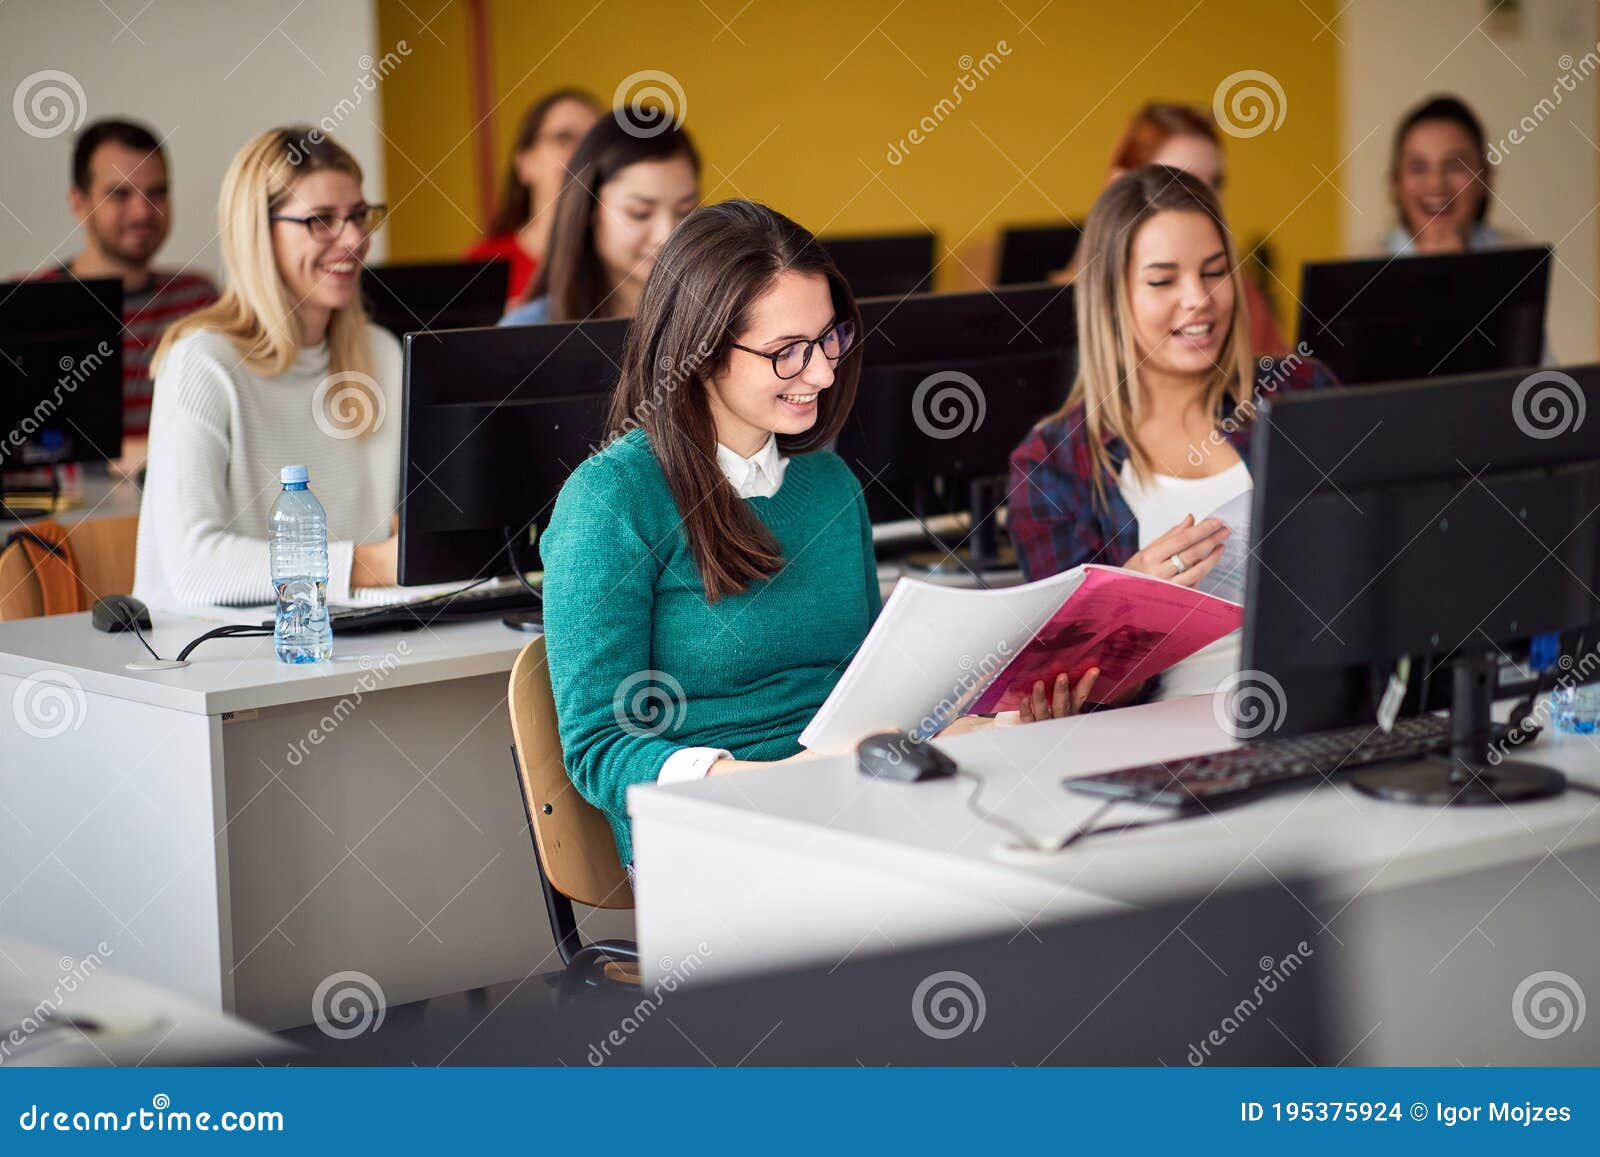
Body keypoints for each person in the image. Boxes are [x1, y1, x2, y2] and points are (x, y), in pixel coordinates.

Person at [539, 199, 1096, 871]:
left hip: (855, 808)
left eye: (831, 338)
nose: (825, 373)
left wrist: (988, 726)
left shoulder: (829, 486)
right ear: (699, 350)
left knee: (1060, 851)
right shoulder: (610, 500)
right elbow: (601, 747)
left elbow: (866, 701)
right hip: (713, 843)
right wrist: (784, 783)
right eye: (787, 353)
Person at [1009, 166, 1339, 700]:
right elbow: (1068, 691)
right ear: (1112, 297)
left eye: (1214, 272)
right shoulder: (1052, 463)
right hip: (1159, 747)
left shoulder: (1299, 390)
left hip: (1321, 709)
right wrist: (1134, 602)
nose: (1198, 299)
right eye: (1164, 280)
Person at [133, 126, 402, 609]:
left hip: (354, 636)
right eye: (321, 220)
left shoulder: (381, 354)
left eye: (359, 216)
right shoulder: (201, 361)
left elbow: (403, 526)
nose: (355, 238)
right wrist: (373, 565)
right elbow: (196, 567)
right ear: (258, 231)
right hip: (209, 657)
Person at [32, 119, 219, 475]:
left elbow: (227, 430)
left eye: (157, 192)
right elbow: (27, 453)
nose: (143, 212)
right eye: (120, 194)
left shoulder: (198, 299)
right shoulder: (33, 305)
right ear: (79, 203)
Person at [1057, 102, 1287, 358]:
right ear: (1121, 188)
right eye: (1180, 181)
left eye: (1217, 182)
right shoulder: (1061, 315)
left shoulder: (1239, 291)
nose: (1209, 200)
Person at [499, 115, 699, 326]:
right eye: (640, 213)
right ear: (590, 211)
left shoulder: (721, 320)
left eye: (685, 211)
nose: (667, 235)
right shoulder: (529, 328)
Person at [466, 89, 600, 305]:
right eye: (564, 138)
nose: (583, 153)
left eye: (593, 141)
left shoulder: (620, 262)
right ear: (525, 163)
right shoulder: (482, 264)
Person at [1382, 94, 1510, 255]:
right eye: (1418, 167)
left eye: (1455, 165)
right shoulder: (1360, 273)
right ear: (1395, 183)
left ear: (1484, 178)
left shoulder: (1523, 264)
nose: (1436, 183)